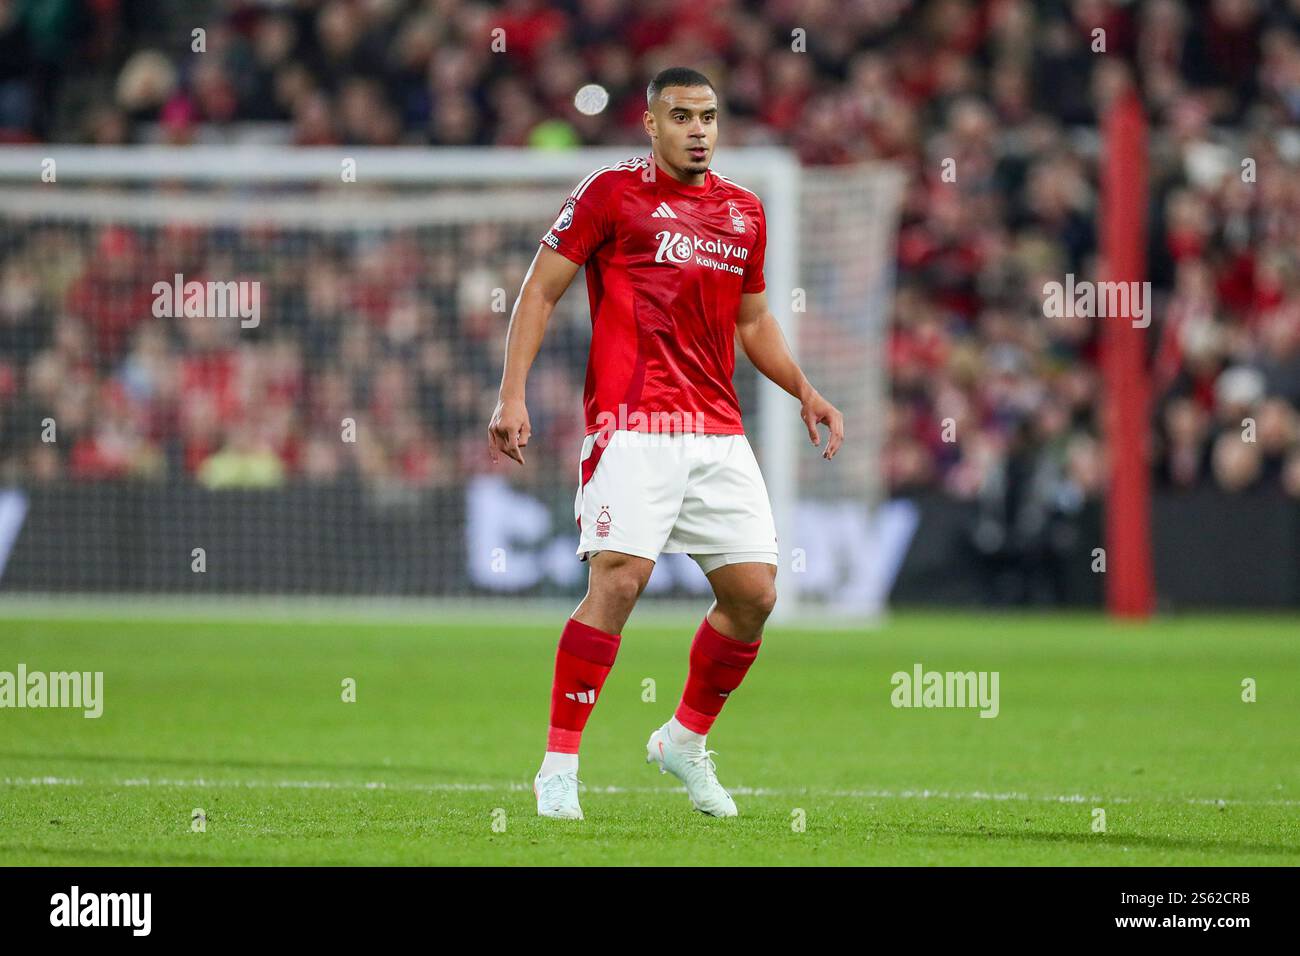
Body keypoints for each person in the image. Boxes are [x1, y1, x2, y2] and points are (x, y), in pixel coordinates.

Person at [488, 67, 844, 819]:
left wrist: (805, 390)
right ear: (650, 124)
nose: (698, 129)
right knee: (618, 581)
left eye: (709, 116)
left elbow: (753, 323)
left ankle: (682, 741)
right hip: (632, 426)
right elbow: (540, 289)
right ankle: (558, 766)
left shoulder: (743, 213)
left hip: (716, 431)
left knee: (754, 596)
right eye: (681, 116)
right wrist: (511, 393)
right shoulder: (610, 193)